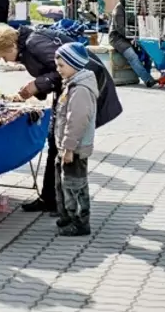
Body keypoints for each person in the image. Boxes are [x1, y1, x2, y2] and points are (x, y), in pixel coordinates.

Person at [0, 23, 122, 213]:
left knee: (62, 145)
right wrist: (36, 87)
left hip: (79, 94)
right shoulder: (31, 43)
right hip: (71, 93)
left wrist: (37, 85)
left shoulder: (34, 43)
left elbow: (64, 70)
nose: (7, 62)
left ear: (11, 47)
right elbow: (52, 72)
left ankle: (62, 203)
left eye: (3, 57)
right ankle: (53, 198)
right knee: (55, 144)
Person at [52, 42, 97, 237]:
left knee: (74, 185)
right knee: (64, 183)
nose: (58, 69)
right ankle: (66, 216)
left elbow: (76, 121)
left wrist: (68, 148)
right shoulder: (72, 85)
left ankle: (79, 221)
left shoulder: (80, 89)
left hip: (75, 149)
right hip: (68, 147)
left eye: (61, 65)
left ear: (74, 64)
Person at [108, 0, 156, 87]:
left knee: (148, 52)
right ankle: (147, 79)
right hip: (117, 38)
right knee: (132, 56)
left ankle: (148, 75)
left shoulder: (133, 7)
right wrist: (131, 37)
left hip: (131, 36)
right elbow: (120, 28)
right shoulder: (119, 9)